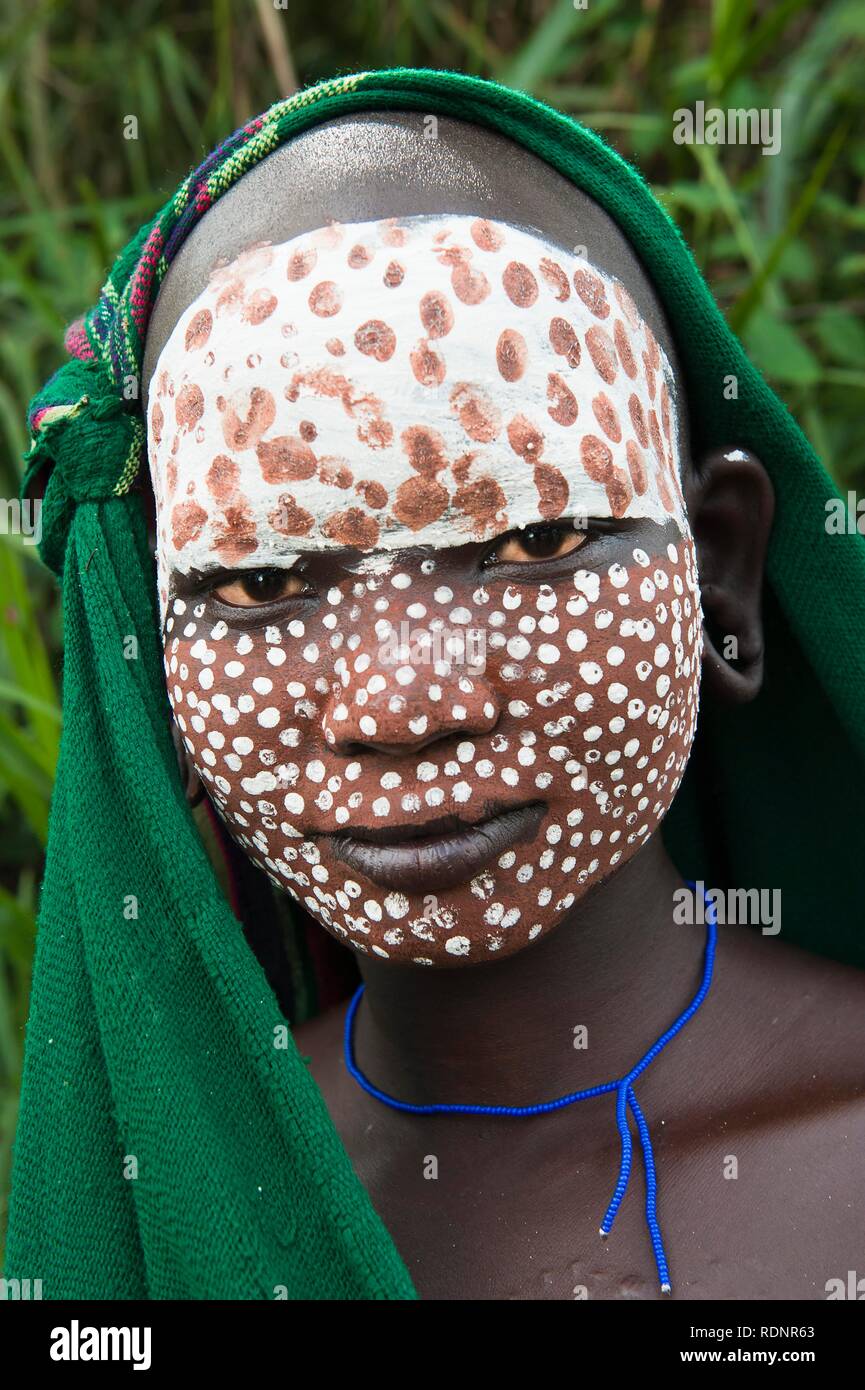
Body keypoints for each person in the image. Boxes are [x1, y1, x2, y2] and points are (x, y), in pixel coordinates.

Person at [6, 70, 864, 1302]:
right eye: (265, 585)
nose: (401, 704)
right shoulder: (167, 1203)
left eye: (533, 544)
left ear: (716, 568)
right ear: (158, 649)